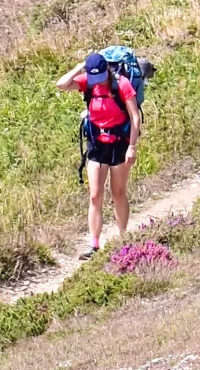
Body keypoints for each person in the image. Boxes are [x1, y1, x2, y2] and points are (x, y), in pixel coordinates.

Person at [57, 52, 141, 259]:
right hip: (96, 143)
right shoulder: (88, 83)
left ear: (107, 71)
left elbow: (135, 116)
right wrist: (79, 67)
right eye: (93, 77)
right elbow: (61, 84)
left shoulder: (121, 84)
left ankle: (123, 239)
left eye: (100, 77)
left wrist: (132, 146)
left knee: (118, 193)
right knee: (95, 195)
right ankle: (94, 245)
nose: (97, 82)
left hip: (120, 144)